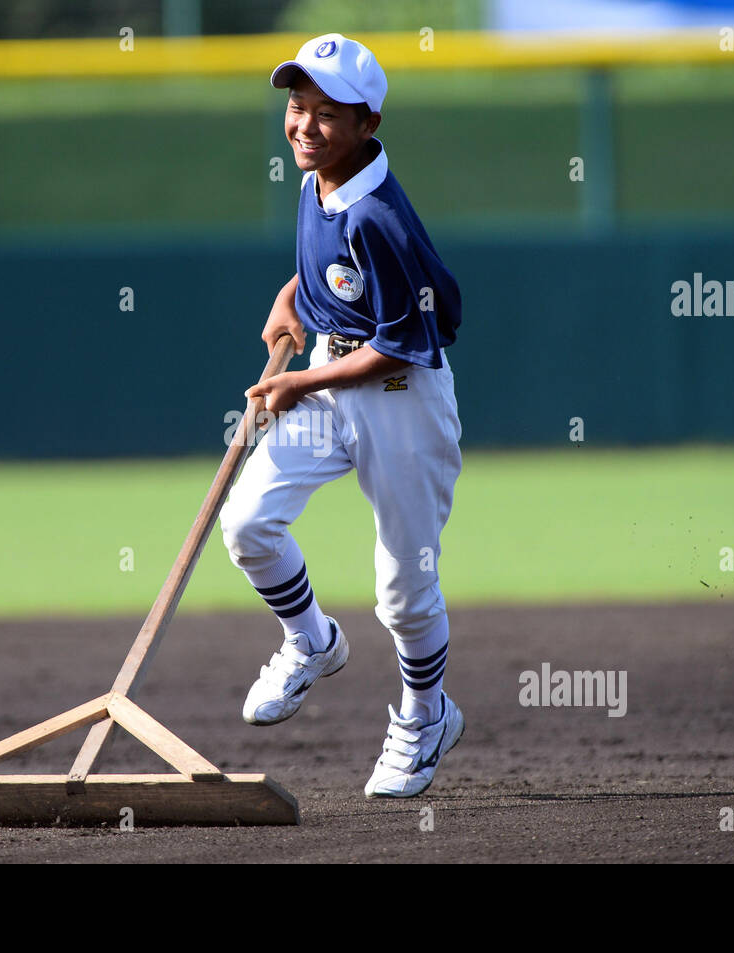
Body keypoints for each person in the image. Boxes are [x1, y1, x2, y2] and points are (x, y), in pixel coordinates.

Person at [220, 33, 465, 798]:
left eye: (328, 114)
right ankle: (312, 642)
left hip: (400, 400)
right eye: (297, 107)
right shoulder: (320, 180)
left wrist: (297, 385)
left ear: (369, 122)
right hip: (332, 374)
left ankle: (426, 714)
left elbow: (401, 346)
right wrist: (291, 298)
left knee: (402, 585)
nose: (304, 125)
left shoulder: (380, 217)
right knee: (248, 521)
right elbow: (323, 268)